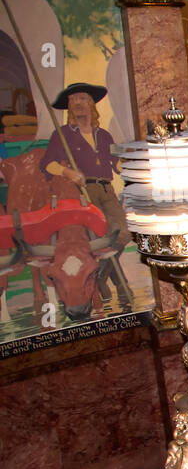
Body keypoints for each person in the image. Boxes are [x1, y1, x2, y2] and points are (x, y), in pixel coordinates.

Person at [40, 81, 132, 305]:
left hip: (107, 190)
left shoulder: (104, 135)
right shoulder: (62, 134)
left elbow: (115, 163)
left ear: (91, 104)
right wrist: (68, 172)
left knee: (124, 232)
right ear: (69, 108)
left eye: (82, 99)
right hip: (82, 191)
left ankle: (101, 275)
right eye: (73, 101)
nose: (77, 104)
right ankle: (121, 286)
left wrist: (130, 167)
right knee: (102, 238)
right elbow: (46, 164)